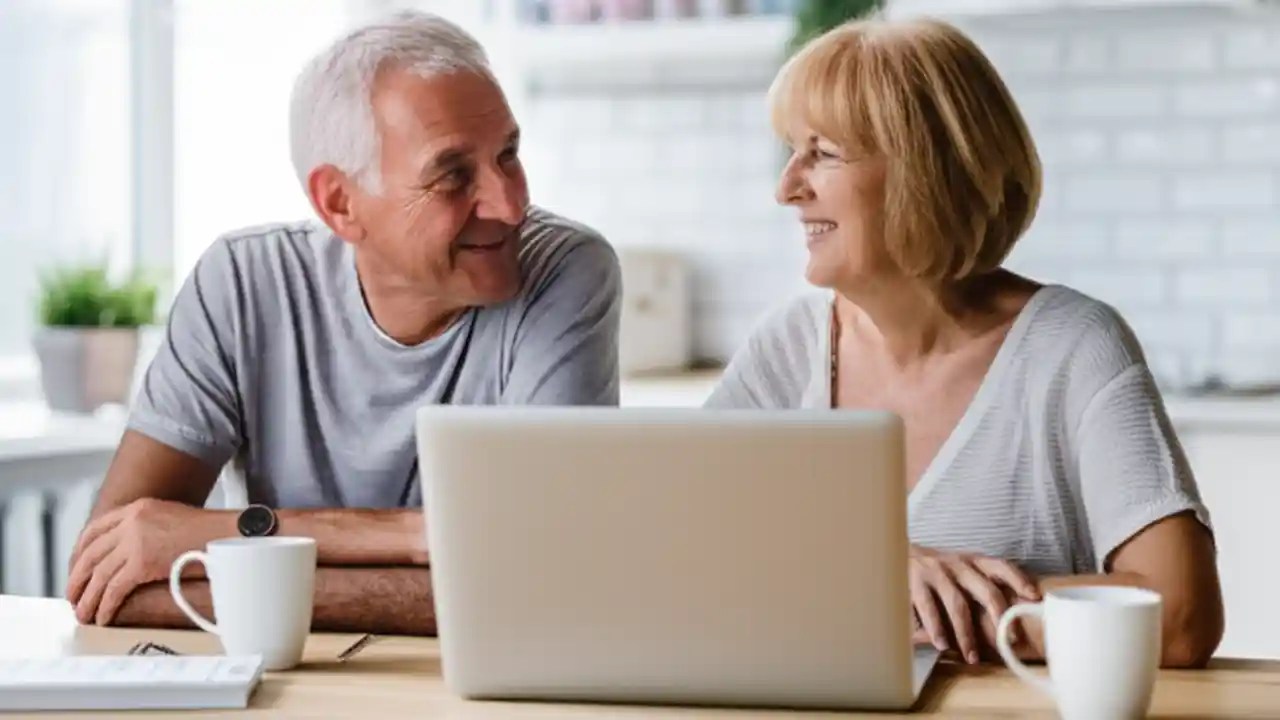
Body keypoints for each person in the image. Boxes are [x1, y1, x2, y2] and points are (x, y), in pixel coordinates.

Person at [66, 11, 621, 635]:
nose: (511, 204)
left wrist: (230, 542)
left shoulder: (565, 270)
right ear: (339, 203)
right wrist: (422, 540)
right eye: (453, 175)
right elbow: (105, 581)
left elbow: (547, 583)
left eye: (509, 154)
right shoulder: (243, 284)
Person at [707, 16, 1223, 668]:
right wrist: (875, 571)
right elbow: (685, 556)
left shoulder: (1073, 347)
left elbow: (1178, 615)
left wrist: (920, 607)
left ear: (927, 170)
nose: (787, 188)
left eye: (823, 153)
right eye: (791, 151)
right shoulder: (785, 350)